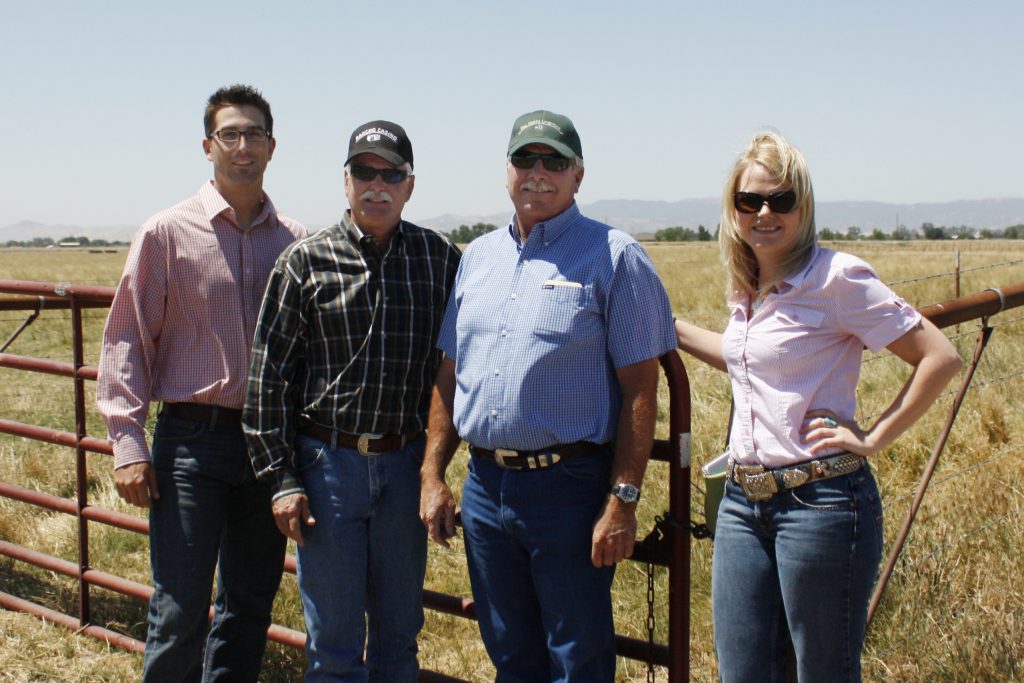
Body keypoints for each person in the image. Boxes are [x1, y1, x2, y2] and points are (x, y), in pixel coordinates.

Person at [674, 131, 963, 682]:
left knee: (823, 672)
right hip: (740, 503)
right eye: (750, 201)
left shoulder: (837, 278)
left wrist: (874, 437)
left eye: (780, 200)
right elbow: (746, 360)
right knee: (742, 671)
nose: (764, 213)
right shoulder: (749, 285)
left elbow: (940, 357)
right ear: (733, 209)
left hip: (820, 503)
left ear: (803, 208)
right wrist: (670, 328)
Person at [419, 110, 676, 682]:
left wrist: (623, 499)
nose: (538, 172)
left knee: (575, 657)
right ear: (506, 170)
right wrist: (433, 473)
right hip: (484, 487)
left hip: (569, 490)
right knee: (509, 652)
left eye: (554, 161)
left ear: (578, 175)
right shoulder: (478, 257)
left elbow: (641, 388)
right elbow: (450, 372)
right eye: (525, 159)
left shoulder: (614, 255)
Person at [96, 84, 306, 682]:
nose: (243, 146)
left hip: (268, 446)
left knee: (249, 605)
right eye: (229, 134)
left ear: (272, 146)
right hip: (192, 441)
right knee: (179, 606)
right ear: (207, 146)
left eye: (254, 134)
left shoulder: (294, 241)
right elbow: (128, 337)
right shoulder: (166, 232)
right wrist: (128, 444)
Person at [243, 120, 461, 682]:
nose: (377, 185)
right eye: (364, 172)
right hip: (328, 466)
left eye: (392, 174)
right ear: (345, 181)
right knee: (334, 643)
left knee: (399, 636)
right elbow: (268, 381)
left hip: (405, 463)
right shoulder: (304, 262)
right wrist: (282, 480)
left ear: (410, 186)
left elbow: (458, 365)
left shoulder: (439, 259)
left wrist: (435, 469)